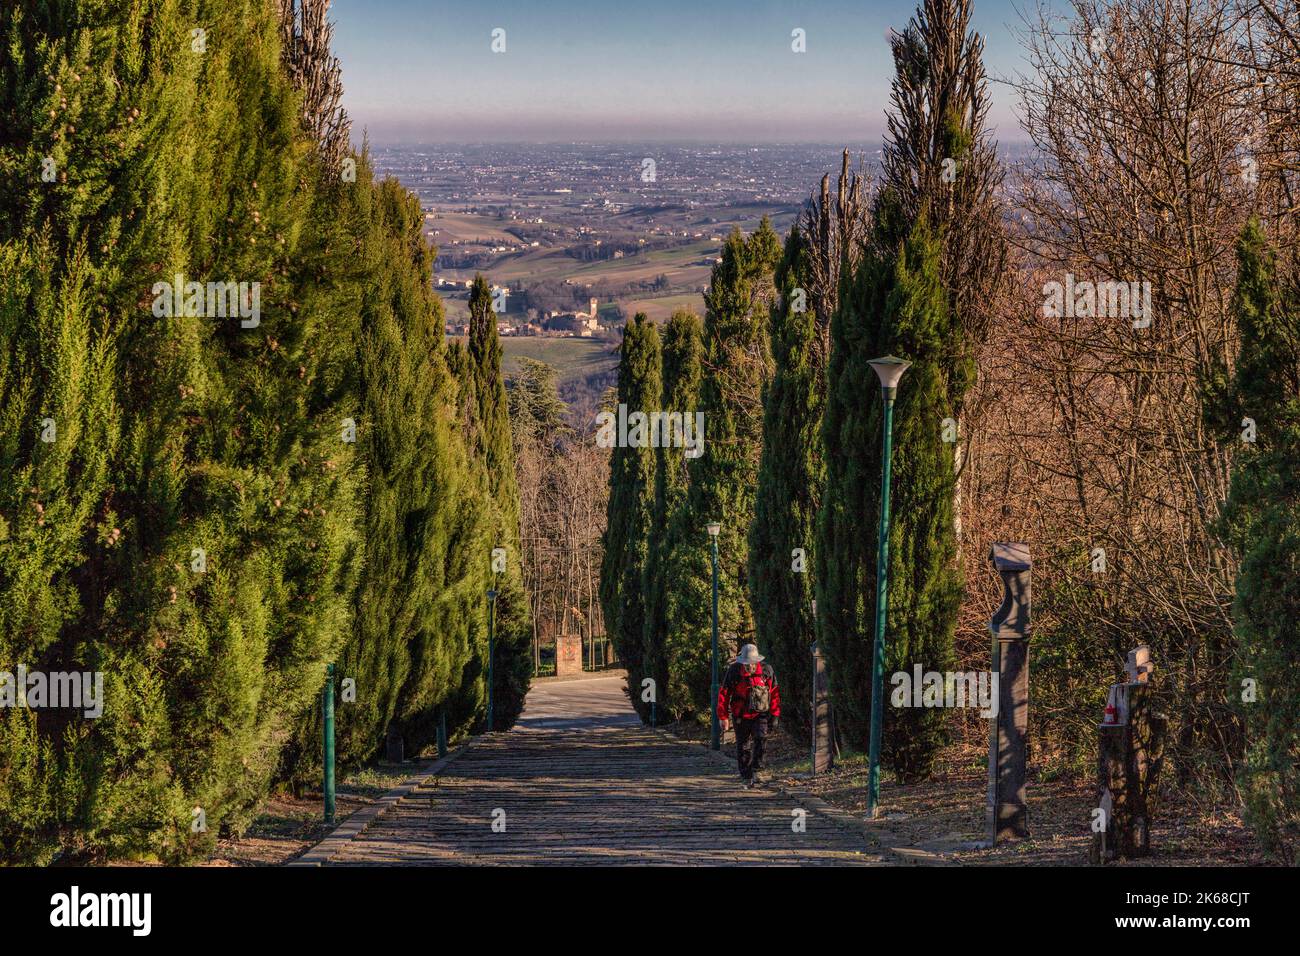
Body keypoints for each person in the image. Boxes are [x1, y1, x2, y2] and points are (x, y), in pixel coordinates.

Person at [717, 643, 781, 786]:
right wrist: (723, 717)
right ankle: (746, 774)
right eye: (746, 664)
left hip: (760, 714)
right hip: (741, 715)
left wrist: (775, 714)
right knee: (743, 745)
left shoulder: (767, 671)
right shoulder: (733, 671)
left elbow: (775, 693)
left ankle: (758, 770)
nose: (749, 667)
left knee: (761, 739)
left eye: (751, 664)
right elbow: (724, 694)